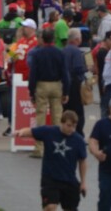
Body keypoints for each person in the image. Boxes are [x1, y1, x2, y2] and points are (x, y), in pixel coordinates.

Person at [15, 110, 88, 211]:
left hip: (69, 180)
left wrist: (83, 182)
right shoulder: (49, 132)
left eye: (74, 126)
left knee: (70, 208)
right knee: (50, 207)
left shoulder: (79, 140)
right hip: (51, 179)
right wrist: (21, 132)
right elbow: (32, 131)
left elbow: (82, 161)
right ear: (62, 123)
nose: (71, 129)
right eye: (69, 125)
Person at [29, 27, 70, 158]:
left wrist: (31, 90)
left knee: (40, 116)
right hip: (56, 85)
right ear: (53, 39)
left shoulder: (37, 54)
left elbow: (33, 74)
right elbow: (65, 73)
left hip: (41, 84)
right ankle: (56, 146)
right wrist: (66, 91)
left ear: (43, 39)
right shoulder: (60, 53)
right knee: (57, 117)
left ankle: (38, 148)